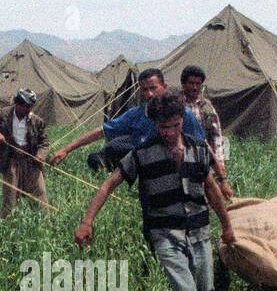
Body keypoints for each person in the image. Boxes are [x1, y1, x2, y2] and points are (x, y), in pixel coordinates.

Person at [74, 90, 235, 291]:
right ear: (155, 124)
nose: (169, 132)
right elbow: (108, 185)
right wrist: (87, 221)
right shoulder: (142, 153)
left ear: (183, 120)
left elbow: (211, 188)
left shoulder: (198, 149)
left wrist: (227, 226)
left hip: (199, 230)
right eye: (163, 127)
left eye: (175, 125)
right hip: (165, 232)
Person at [50, 69, 231, 197]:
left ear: (164, 87)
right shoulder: (136, 115)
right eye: (145, 89)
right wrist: (67, 149)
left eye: (154, 88)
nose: (150, 94)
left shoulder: (183, 115)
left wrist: (222, 179)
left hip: (183, 183)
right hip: (151, 186)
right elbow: (101, 131)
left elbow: (204, 147)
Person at [0, 89, 50, 218]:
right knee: (10, 197)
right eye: (26, 107)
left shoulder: (36, 121)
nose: (29, 110)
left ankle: (45, 223)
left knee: (40, 194)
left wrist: (41, 154)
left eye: (31, 107)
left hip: (31, 163)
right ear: (18, 104)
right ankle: (7, 227)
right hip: (11, 161)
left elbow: (44, 142)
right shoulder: (3, 114)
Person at [180, 65, 230, 192]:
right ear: (183, 84)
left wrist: (220, 165)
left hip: (205, 158)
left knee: (210, 194)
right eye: (191, 83)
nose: (195, 87)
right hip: (183, 159)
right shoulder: (176, 105)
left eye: (198, 84)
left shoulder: (207, 107)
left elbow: (217, 137)